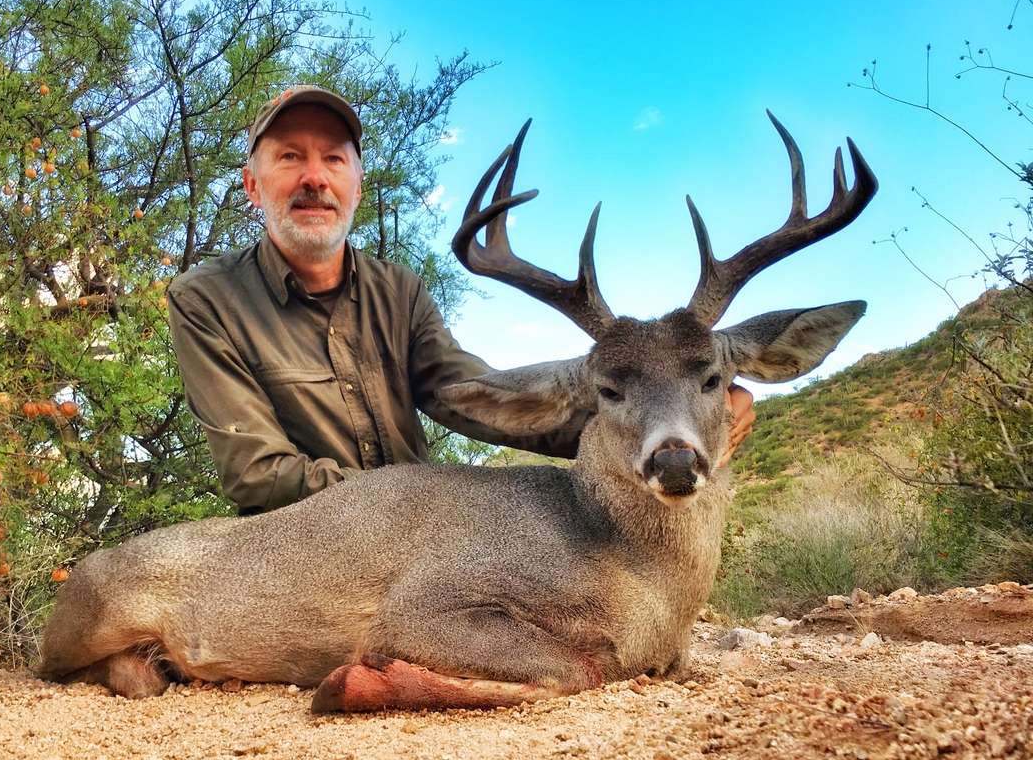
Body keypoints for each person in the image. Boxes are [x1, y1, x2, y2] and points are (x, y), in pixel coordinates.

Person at [166, 86, 754, 514]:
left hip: (417, 533)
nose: (314, 177)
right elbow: (255, 474)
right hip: (299, 542)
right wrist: (412, 498)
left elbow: (471, 399)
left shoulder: (398, 291)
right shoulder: (206, 299)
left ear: (356, 184)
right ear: (252, 185)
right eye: (290, 156)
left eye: (334, 159)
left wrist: (665, 416)